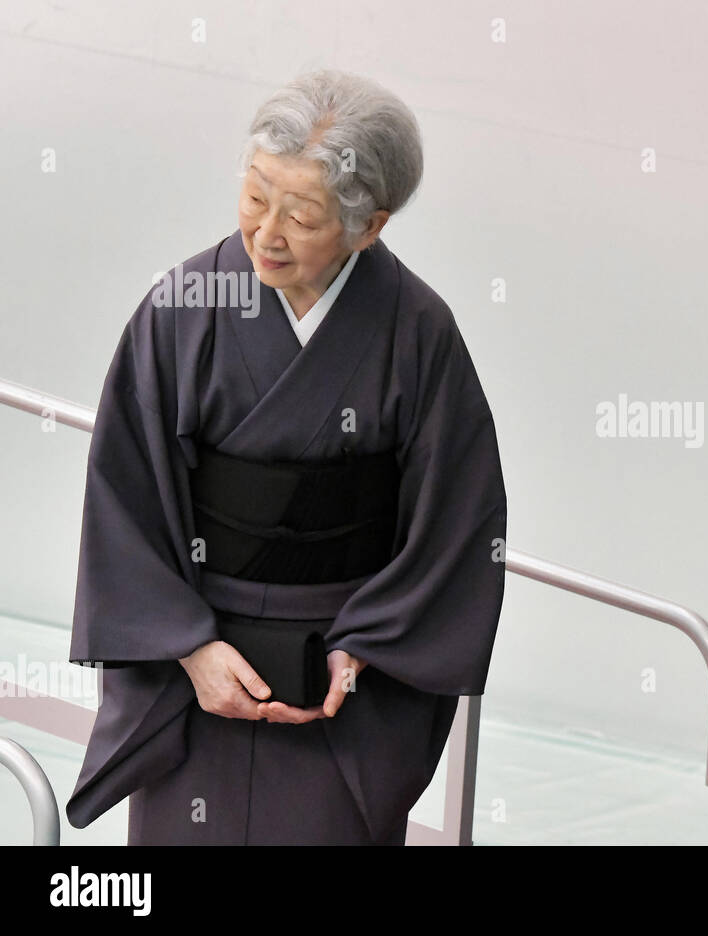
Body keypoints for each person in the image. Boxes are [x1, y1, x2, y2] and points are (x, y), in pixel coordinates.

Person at [64, 69, 507, 844]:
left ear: (370, 227)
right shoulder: (182, 310)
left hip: (341, 685)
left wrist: (364, 652)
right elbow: (123, 497)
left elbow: (458, 519)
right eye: (255, 196)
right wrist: (189, 647)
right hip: (193, 670)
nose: (265, 233)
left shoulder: (418, 332)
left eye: (300, 215)